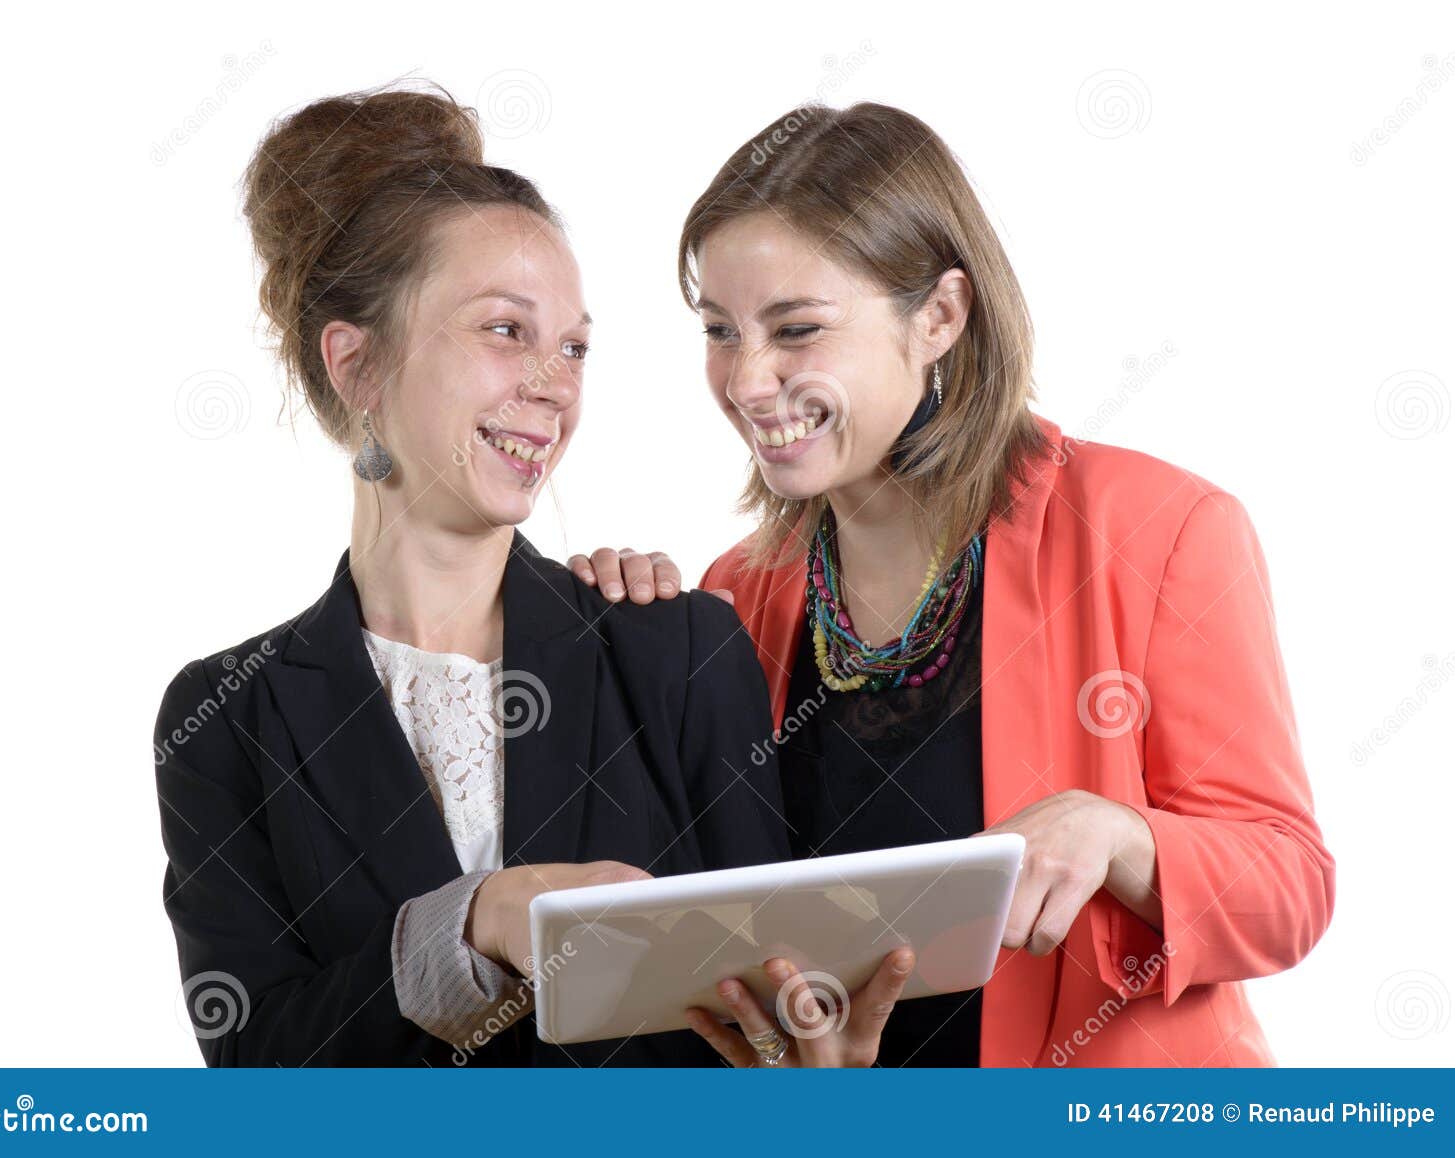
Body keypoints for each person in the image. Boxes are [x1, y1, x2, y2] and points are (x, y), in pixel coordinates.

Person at [152, 84, 914, 1067]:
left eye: (575, 347)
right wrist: (474, 923)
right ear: (357, 367)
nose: (554, 386)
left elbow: (767, 1021)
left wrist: (816, 1071)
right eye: (506, 331)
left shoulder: (677, 648)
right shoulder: (227, 717)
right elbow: (258, 1071)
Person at [570, 101, 1335, 1067]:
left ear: (939, 316)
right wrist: (608, 643)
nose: (748, 380)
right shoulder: (741, 590)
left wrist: (1119, 835)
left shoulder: (1159, 528)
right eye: (721, 330)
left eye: (796, 328)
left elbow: (1291, 889)